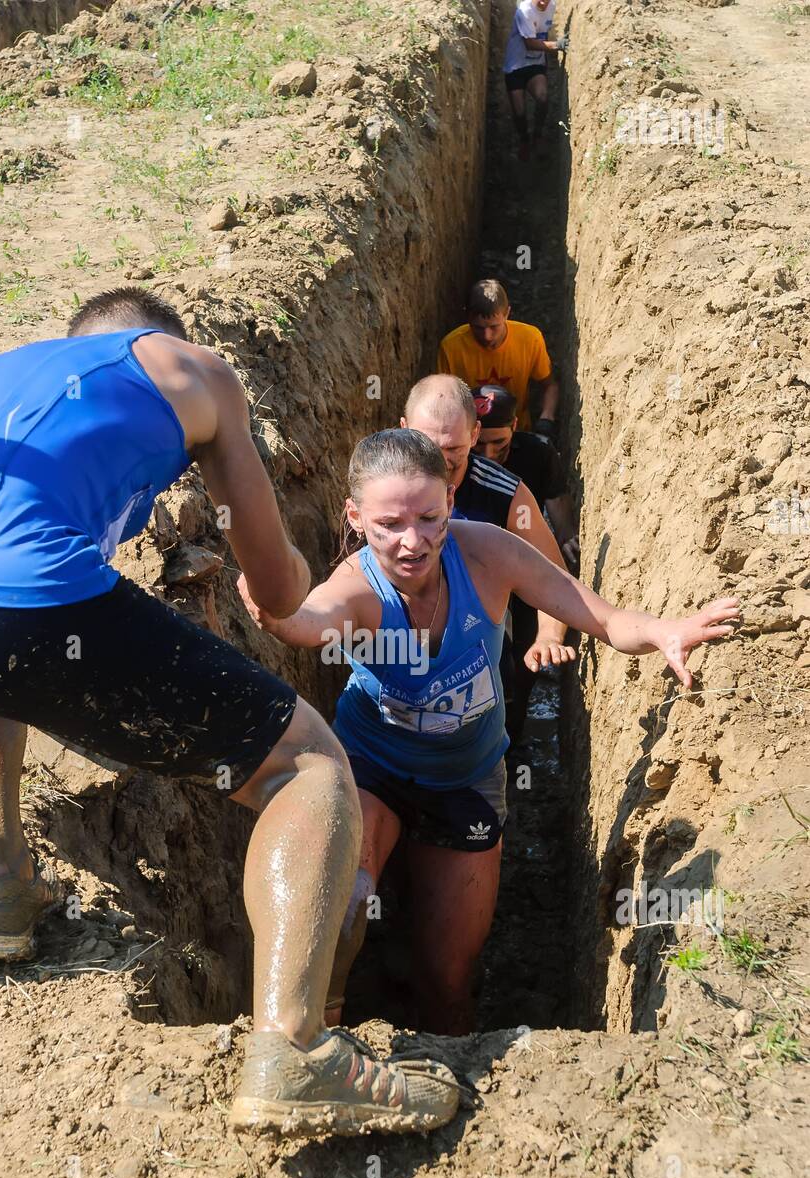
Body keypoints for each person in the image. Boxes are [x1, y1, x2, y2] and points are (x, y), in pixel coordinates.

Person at [0, 287, 461, 1137]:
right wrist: (290, 568)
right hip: (36, 587)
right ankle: (294, 1046)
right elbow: (280, 585)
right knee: (312, 769)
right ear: (156, 342)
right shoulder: (193, 370)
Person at [238, 428, 740, 1036]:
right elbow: (311, 623)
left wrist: (664, 631)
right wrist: (273, 612)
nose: (412, 540)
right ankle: (321, 1034)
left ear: (451, 498)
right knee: (345, 905)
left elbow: (598, 615)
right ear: (355, 516)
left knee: (448, 979)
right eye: (389, 523)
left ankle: (456, 1065)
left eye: (428, 516)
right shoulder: (357, 586)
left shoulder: (487, 554)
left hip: (467, 780)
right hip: (376, 770)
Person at [403, 374, 573, 737]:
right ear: (403, 429)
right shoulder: (380, 486)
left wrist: (548, 637)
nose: (438, 463)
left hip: (485, 647)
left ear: (474, 435)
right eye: (426, 447)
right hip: (406, 653)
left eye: (452, 452)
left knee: (500, 715)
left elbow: (552, 577)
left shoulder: (506, 495)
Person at [473, 384, 579, 570]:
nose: (488, 454)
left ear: (514, 425)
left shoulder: (538, 454)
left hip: (526, 555)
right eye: (479, 444)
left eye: (498, 442)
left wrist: (567, 544)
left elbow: (561, 517)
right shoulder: (457, 461)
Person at [437, 279, 558, 432]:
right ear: (467, 316)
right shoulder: (451, 347)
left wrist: (547, 417)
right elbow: (444, 400)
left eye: (494, 327)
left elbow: (549, 385)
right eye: (478, 328)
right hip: (472, 434)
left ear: (507, 313)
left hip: (518, 430)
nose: (487, 336)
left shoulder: (530, 339)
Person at [504, 0, 568, 162]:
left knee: (542, 97)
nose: (543, 2)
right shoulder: (524, 11)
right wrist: (557, 45)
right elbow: (529, 43)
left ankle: (537, 136)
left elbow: (543, 32)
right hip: (515, 67)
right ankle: (524, 140)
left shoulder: (551, 6)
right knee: (519, 111)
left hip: (535, 65)